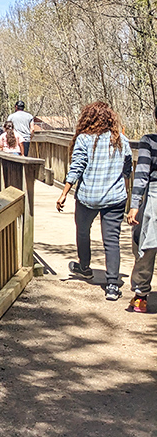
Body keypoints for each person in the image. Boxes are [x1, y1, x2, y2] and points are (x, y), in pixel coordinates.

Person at [56, 101, 133, 301]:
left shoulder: (84, 139)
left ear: (88, 118)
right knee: (111, 240)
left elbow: (77, 167)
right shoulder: (122, 140)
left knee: (83, 231)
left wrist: (64, 192)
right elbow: (127, 169)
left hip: (88, 197)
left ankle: (84, 267)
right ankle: (113, 284)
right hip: (115, 198)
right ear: (110, 118)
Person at [126, 107, 157, 312]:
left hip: (154, 196)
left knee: (146, 244)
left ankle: (141, 294)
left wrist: (134, 205)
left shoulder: (149, 141)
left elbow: (142, 174)